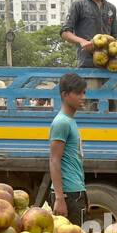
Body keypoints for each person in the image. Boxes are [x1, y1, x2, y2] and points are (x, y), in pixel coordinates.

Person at [62, 0, 117, 69]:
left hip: (110, 66)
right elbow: (65, 33)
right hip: (87, 66)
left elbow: (115, 36)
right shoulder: (79, 5)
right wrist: (82, 41)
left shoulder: (112, 8)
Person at [49, 73, 87, 223]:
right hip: (68, 194)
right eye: (78, 93)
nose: (83, 97)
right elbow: (54, 160)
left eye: (84, 92)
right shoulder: (61, 122)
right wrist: (60, 198)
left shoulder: (70, 121)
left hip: (75, 191)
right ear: (65, 95)